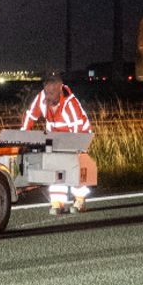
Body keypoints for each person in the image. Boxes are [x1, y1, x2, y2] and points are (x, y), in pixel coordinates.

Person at [21, 77, 93, 213]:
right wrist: (22, 136)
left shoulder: (70, 104)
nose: (47, 96)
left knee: (75, 166)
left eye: (51, 93)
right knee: (54, 166)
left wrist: (76, 149)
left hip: (79, 135)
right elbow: (30, 116)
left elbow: (77, 129)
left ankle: (79, 200)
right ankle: (58, 201)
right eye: (46, 92)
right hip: (55, 136)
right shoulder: (42, 98)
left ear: (60, 90)